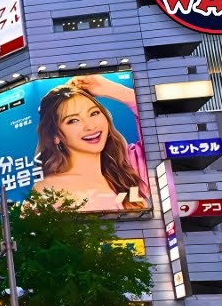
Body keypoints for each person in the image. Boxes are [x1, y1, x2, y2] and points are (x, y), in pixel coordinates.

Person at [31, 74, 149, 212]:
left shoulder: (127, 168)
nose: (90, 126)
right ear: (55, 136)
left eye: (93, 113)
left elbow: (164, 134)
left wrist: (112, 89)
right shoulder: (48, 189)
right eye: (73, 120)